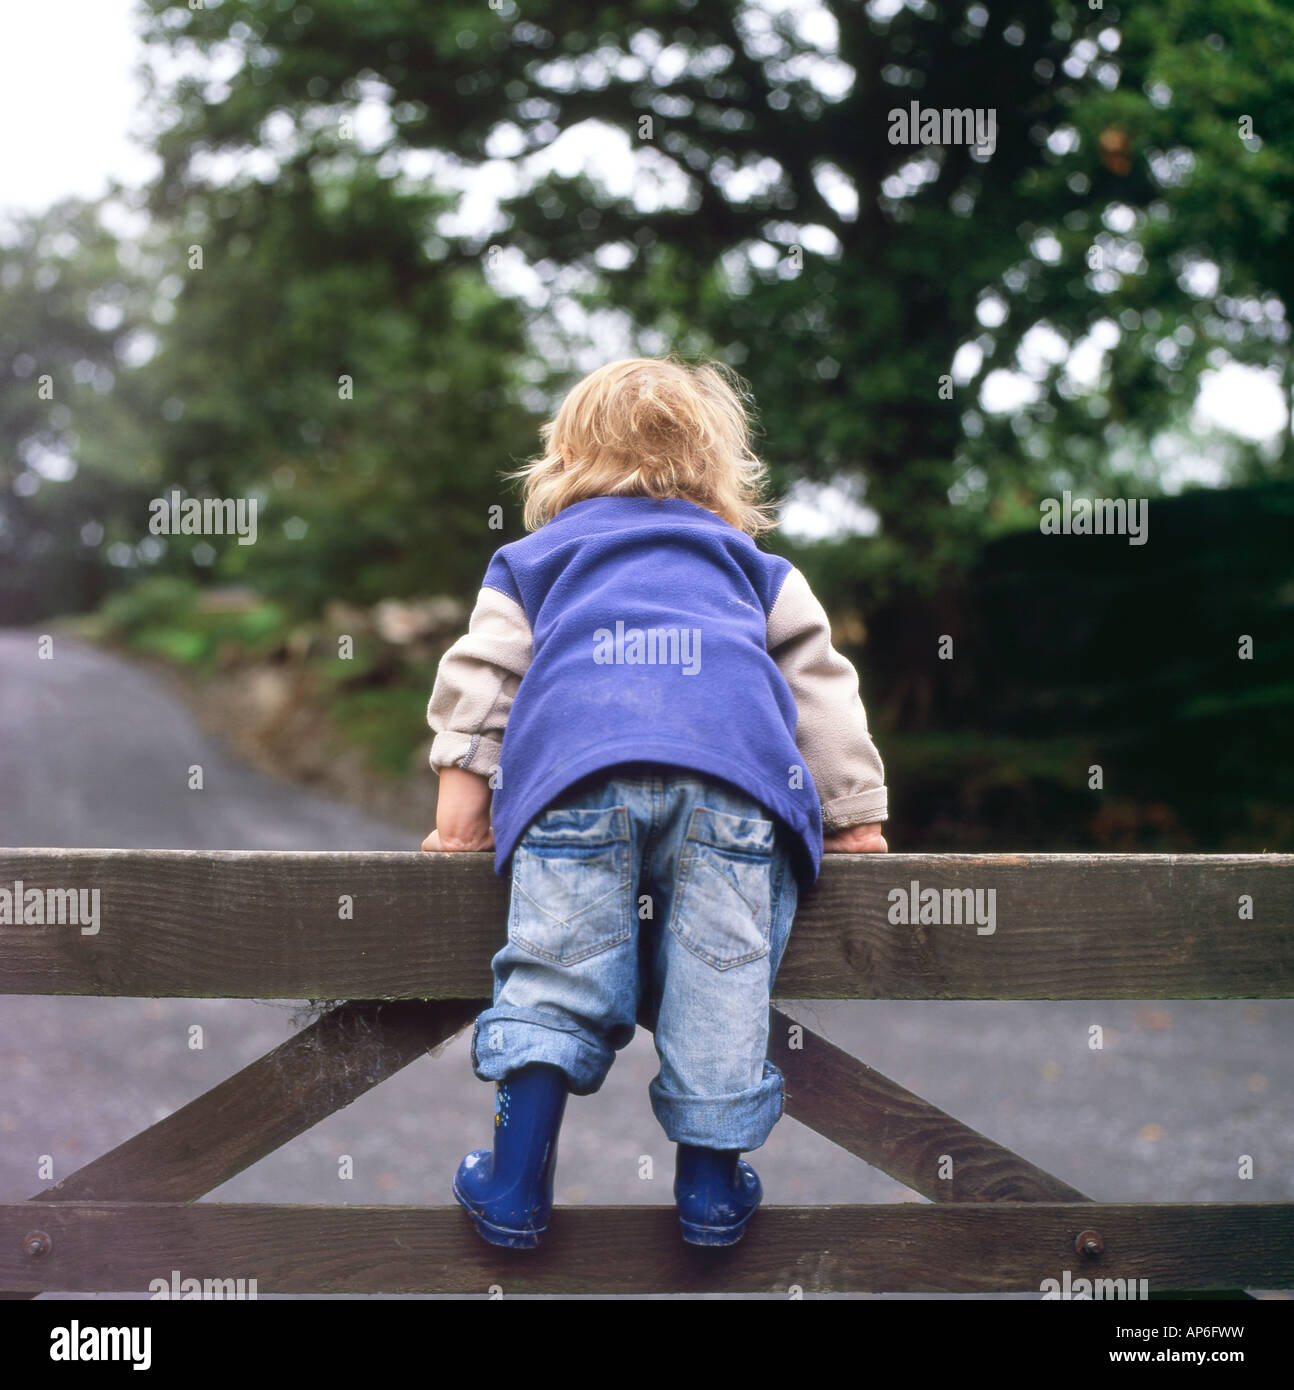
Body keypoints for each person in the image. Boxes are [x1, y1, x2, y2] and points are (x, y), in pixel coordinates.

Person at [423, 356, 889, 1248]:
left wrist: (461, 816)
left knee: (556, 971)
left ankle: (515, 1182)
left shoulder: (533, 559)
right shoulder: (754, 565)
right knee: (723, 976)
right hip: (733, 787)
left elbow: (484, 681)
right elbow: (821, 688)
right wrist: (854, 816)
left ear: (562, 464)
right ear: (722, 469)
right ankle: (711, 1193)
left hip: (578, 779)